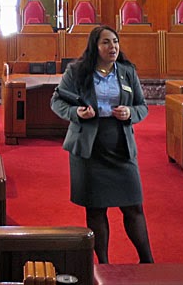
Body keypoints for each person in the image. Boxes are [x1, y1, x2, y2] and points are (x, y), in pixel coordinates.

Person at [51, 25, 153, 264]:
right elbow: (57, 101)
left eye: (115, 42)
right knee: (96, 209)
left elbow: (142, 107)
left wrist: (130, 112)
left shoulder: (127, 72)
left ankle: (148, 261)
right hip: (89, 150)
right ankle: (103, 264)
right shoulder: (77, 72)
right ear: (95, 47)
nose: (113, 47)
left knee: (133, 206)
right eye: (106, 42)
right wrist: (77, 112)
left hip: (121, 147)